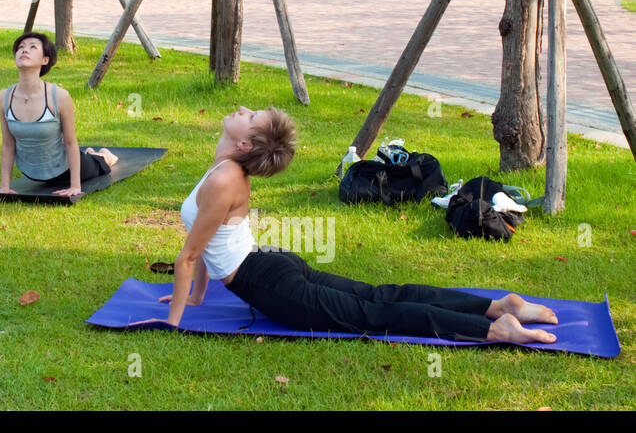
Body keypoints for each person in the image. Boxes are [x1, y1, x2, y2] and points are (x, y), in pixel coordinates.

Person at [146, 105, 559, 345]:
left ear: (244, 145)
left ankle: (493, 325)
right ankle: (497, 307)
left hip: (266, 280)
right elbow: (202, 239)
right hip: (268, 264)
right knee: (382, 296)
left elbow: (190, 255)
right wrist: (196, 299)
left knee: (374, 311)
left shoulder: (223, 178)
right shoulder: (225, 169)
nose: (242, 108)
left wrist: (174, 322)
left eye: (250, 115)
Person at [0, 31, 118, 198]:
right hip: (31, 172)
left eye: (33, 47)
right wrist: (4, 186)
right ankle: (90, 153)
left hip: (65, 169)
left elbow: (70, 142)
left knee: (102, 164)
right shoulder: (4, 97)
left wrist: (75, 185)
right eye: (21, 47)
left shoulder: (59, 96)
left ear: (45, 60)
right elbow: (8, 144)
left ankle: (101, 155)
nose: (24, 50)